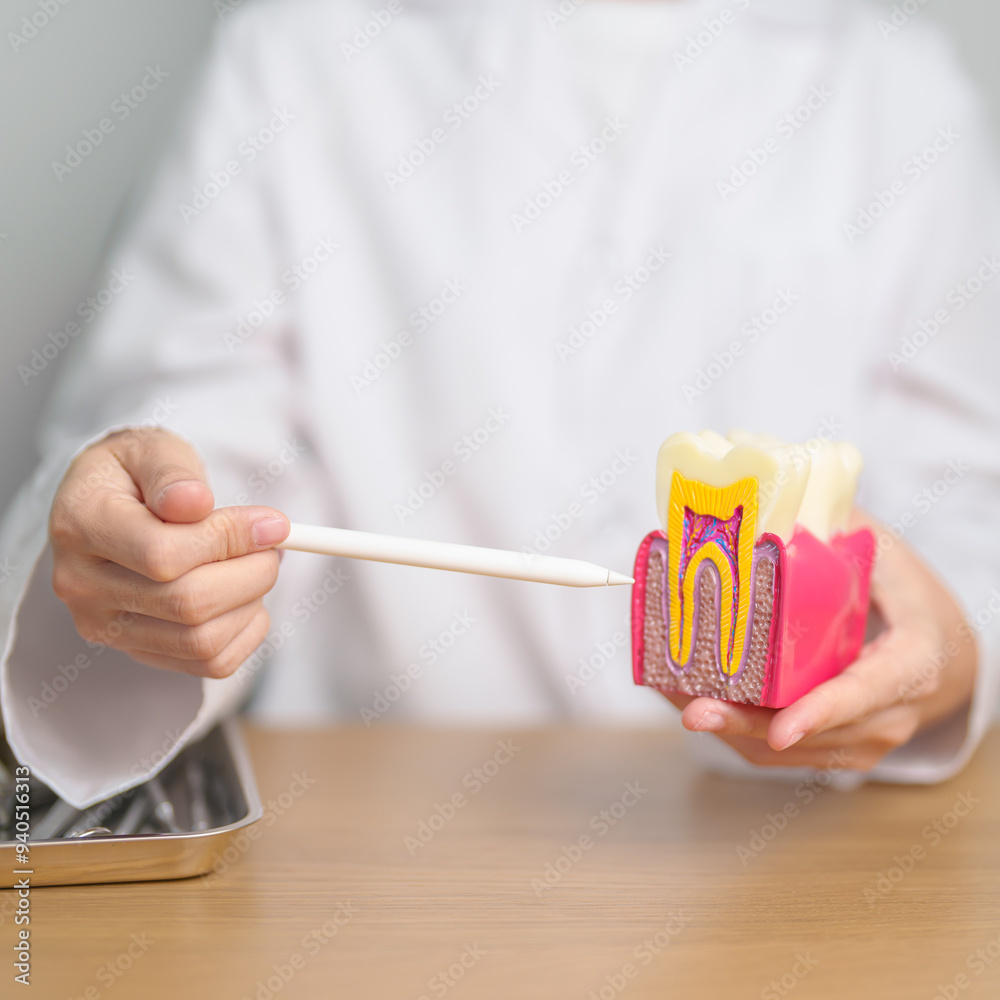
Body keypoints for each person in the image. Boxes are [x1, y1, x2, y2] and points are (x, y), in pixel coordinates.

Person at [2, 0, 999, 806]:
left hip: (783, 855)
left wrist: (948, 649)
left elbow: (971, 502)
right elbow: (186, 462)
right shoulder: (291, 52)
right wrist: (141, 550)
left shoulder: (896, 87)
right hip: (374, 856)